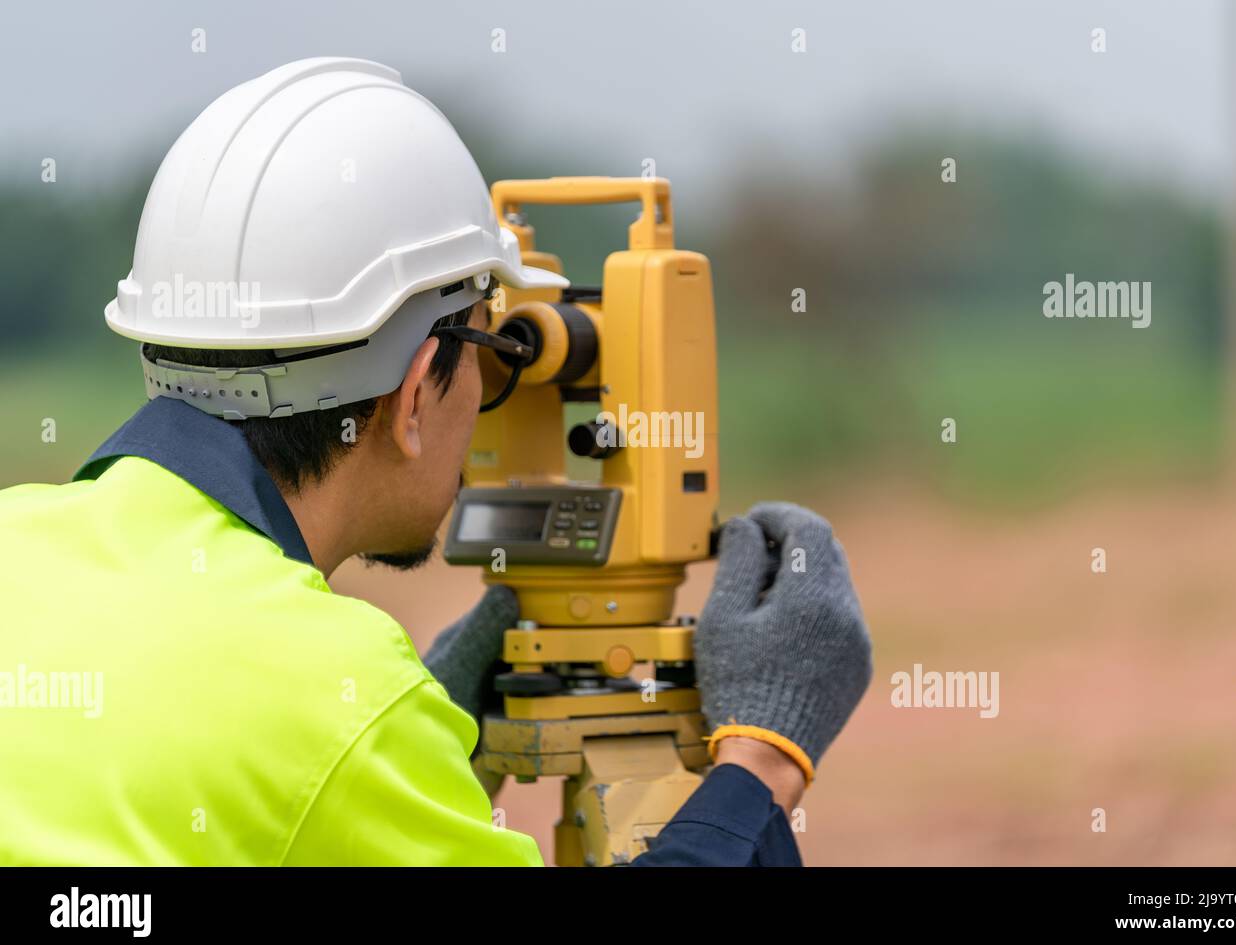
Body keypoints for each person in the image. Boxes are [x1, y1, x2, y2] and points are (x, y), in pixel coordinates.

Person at [0, 58, 871, 866]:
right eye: (491, 357)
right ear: (417, 393)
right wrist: (763, 761)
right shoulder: (338, 706)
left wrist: (418, 724)